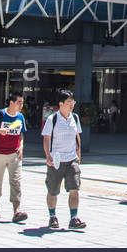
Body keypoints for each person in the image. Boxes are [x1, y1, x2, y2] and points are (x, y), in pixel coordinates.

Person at [41, 89, 86, 229]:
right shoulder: (52, 119)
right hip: (56, 160)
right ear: (61, 104)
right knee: (53, 190)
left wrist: (79, 154)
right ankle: (52, 216)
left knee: (74, 188)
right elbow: (46, 138)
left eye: (73, 102)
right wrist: (48, 156)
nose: (71, 105)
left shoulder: (75, 118)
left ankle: (74, 218)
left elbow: (77, 136)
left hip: (71, 158)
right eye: (68, 102)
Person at [0, 93, 29, 222]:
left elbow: (21, 134)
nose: (21, 105)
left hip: (14, 154)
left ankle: (17, 211)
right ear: (11, 102)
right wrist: (0, 130)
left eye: (22, 102)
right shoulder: (0, 114)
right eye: (19, 102)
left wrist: (21, 147)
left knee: (16, 181)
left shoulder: (20, 117)